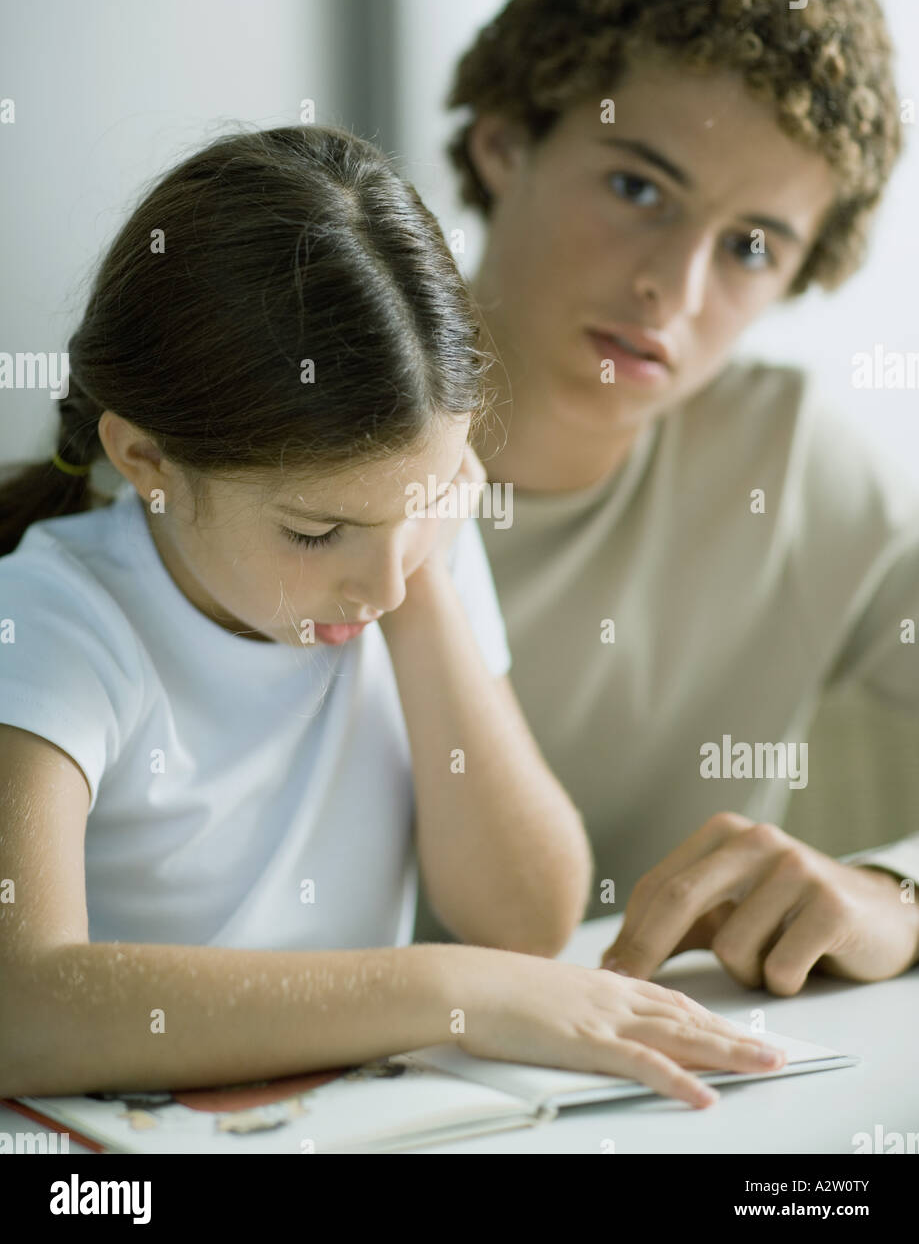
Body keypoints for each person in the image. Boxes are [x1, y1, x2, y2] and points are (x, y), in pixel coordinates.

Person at [0, 123, 781, 1109]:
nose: (378, 583)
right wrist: (439, 989)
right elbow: (18, 1008)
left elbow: (524, 919)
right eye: (316, 531)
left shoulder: (407, 562)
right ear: (149, 462)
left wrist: (427, 591)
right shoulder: (54, 620)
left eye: (422, 506)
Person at [411, 0, 919, 993]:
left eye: (749, 246)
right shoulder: (256, 436)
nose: (672, 289)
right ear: (505, 141)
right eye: (637, 187)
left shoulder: (791, 471)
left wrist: (896, 894)